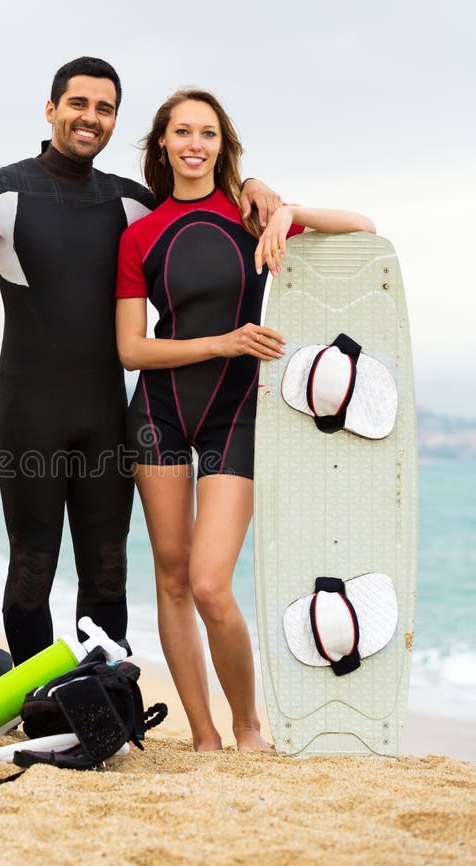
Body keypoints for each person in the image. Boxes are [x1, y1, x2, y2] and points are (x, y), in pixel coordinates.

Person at [0, 60, 282, 667]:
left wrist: (254, 187)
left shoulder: (131, 202)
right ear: (51, 110)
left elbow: (199, 211)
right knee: (32, 567)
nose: (89, 118)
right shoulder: (3, 190)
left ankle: (99, 700)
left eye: (104, 108)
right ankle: (35, 698)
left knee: (107, 570)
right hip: (28, 414)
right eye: (78, 104)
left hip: (107, 417)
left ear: (115, 119)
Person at [115, 88, 375, 751]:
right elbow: (131, 349)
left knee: (208, 582)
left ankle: (247, 727)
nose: (194, 144)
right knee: (170, 577)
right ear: (163, 144)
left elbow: (363, 227)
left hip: (237, 412)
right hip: (159, 413)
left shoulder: (253, 215)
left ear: (222, 145)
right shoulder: (140, 234)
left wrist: (288, 209)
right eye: (182, 132)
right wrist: (223, 343)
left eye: (207, 133)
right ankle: (204, 736)